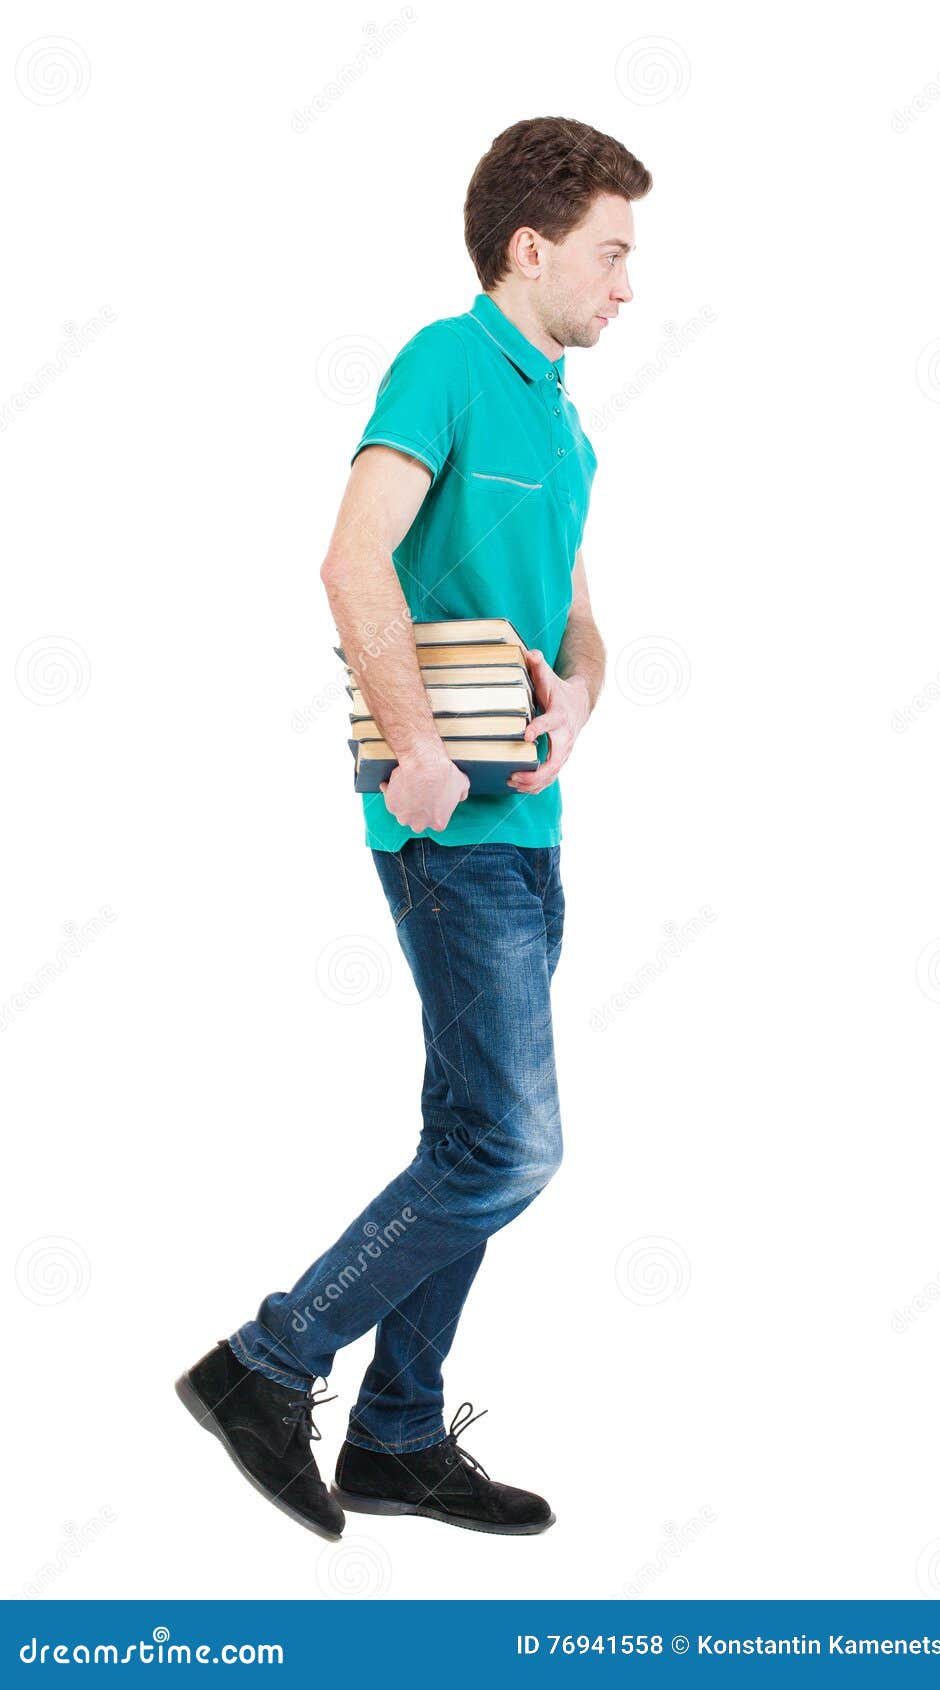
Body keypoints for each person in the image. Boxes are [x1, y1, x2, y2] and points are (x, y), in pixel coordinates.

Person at [176, 115, 651, 1539]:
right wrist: (423, 754)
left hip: (532, 815)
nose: (629, 285)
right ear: (531, 244)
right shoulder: (446, 363)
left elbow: (576, 615)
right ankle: (266, 1359)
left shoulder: (563, 418)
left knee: (466, 1135)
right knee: (510, 1146)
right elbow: (350, 555)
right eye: (612, 253)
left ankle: (392, 1434)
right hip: (447, 823)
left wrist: (579, 696)